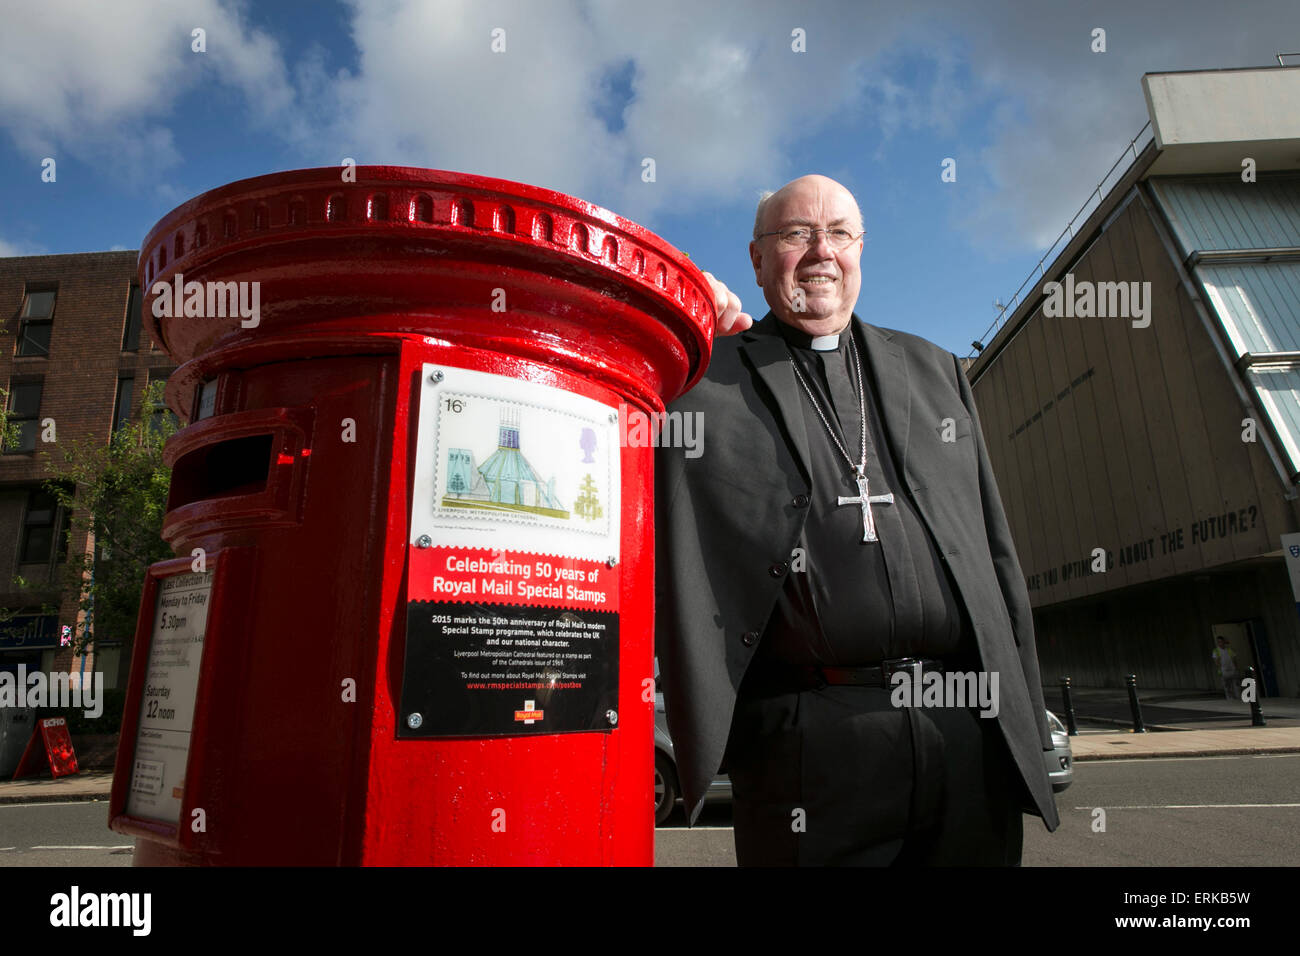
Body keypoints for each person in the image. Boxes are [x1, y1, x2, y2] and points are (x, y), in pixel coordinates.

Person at [655, 174, 1059, 866]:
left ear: (861, 249)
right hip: (807, 748)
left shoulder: (938, 371)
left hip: (963, 730)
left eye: (838, 233)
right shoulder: (701, 380)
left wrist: (1023, 714)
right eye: (794, 234)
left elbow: (994, 550)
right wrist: (677, 327)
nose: (820, 251)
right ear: (756, 259)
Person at [1213, 636, 1240, 700]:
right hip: (1224, 671)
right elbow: (1216, 662)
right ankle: (1230, 699)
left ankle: (1238, 698)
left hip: (1232, 670)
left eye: (1221, 641)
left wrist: (1236, 669)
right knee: (1227, 687)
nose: (1220, 643)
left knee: (1236, 686)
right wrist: (1220, 670)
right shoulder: (1216, 651)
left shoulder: (1229, 649)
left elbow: (1234, 660)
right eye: (1218, 642)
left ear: (1224, 642)